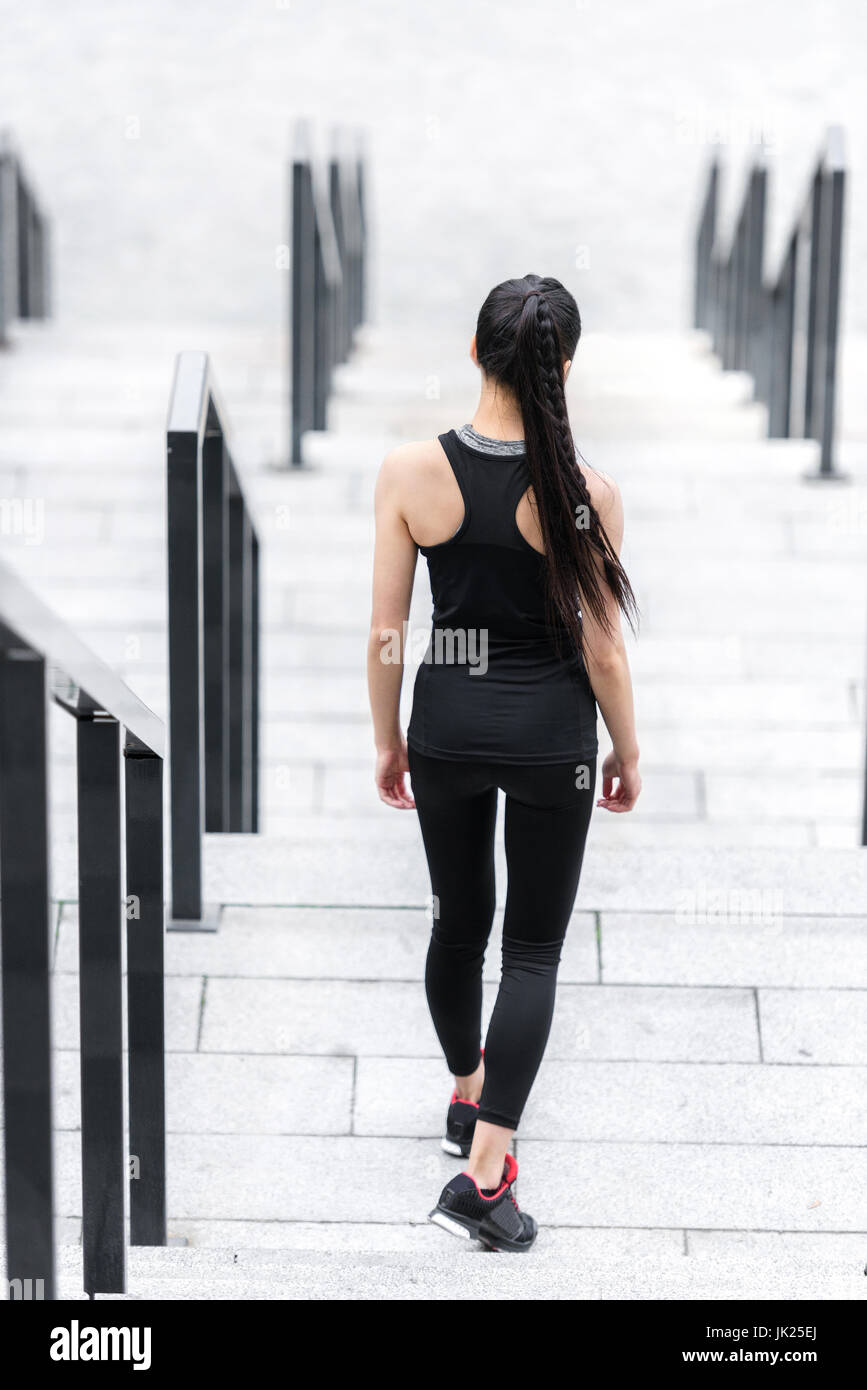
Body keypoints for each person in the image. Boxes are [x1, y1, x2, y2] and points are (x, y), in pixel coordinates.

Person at [366, 273, 640, 1251]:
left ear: (473, 350)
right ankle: (487, 1173)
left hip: (445, 719)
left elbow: (387, 632)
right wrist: (627, 750)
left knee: (457, 920)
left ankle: (467, 1091)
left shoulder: (409, 472)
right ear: (565, 369)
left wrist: (389, 739)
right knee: (531, 951)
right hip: (550, 737)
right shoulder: (586, 495)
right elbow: (603, 650)